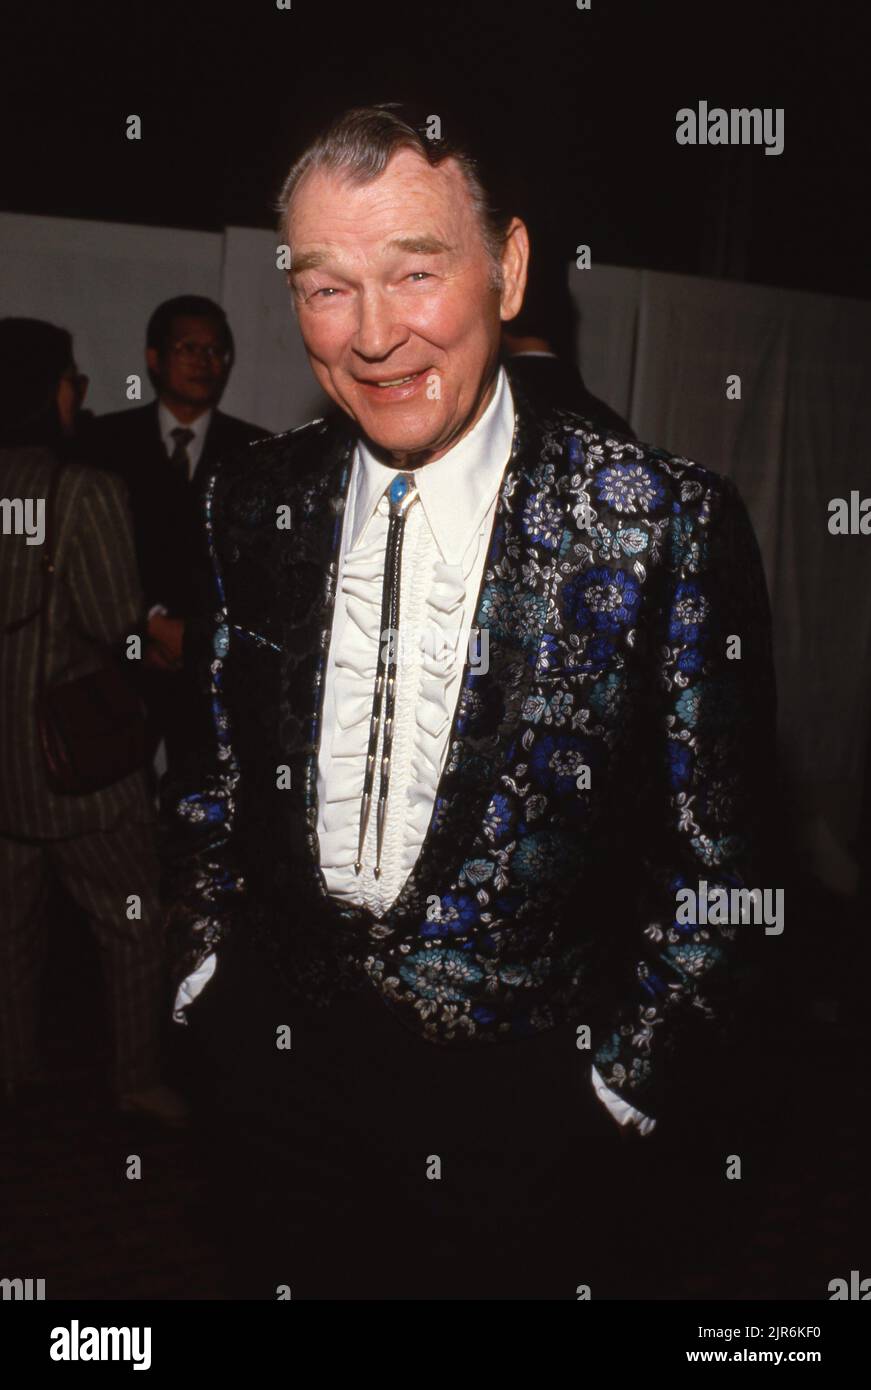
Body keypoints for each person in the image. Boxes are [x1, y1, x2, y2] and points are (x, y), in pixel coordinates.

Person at [163, 105, 776, 1298]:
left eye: (415, 273)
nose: (375, 336)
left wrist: (622, 1082)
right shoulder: (251, 497)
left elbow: (725, 864)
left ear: (507, 269)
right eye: (328, 288)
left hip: (528, 1112)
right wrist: (206, 971)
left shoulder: (652, 521)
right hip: (276, 1075)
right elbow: (211, 761)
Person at [0, 318, 186, 1126]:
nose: (79, 389)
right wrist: (169, 638)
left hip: (3, 773)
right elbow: (120, 624)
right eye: (70, 376)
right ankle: (137, 1080)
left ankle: (12, 1072)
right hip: (78, 775)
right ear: (44, 394)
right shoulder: (83, 491)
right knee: (132, 924)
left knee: (10, 938)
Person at [85, 297, 268, 778]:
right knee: (112, 813)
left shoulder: (258, 453)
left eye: (216, 351)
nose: (205, 362)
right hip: (116, 659)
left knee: (203, 813)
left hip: (210, 669)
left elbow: (262, 571)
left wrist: (197, 637)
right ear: (153, 357)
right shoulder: (104, 443)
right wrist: (142, 626)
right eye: (189, 347)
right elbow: (85, 559)